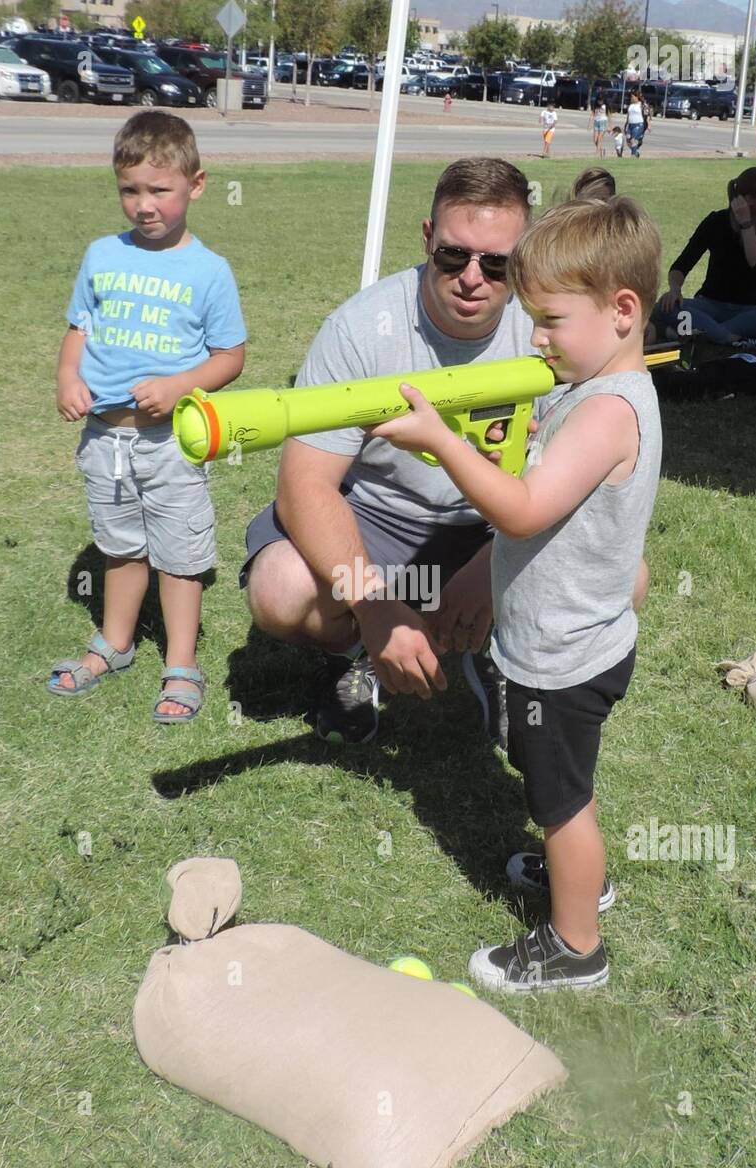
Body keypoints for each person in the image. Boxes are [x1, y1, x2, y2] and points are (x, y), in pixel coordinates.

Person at [242, 158, 652, 747]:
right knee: (280, 588)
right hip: (379, 522)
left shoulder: (556, 331)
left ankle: (507, 662)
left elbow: (575, 483)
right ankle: (354, 653)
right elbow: (304, 485)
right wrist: (374, 607)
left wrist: (492, 565)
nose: (472, 278)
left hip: (501, 523)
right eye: (454, 255)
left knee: (626, 577)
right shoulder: (360, 329)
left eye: (498, 263)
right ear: (428, 238)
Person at [369, 196, 663, 992]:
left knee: (560, 801)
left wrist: (439, 442)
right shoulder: (606, 389)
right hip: (577, 640)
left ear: (622, 311)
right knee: (563, 790)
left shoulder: (604, 410)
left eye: (549, 320)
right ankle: (580, 878)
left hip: (562, 660)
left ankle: (575, 945)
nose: (534, 337)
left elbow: (524, 510)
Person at [48, 111, 247, 720]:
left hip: (170, 443)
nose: (143, 204)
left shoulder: (209, 271)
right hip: (104, 439)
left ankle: (181, 663)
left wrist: (181, 384)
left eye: (159, 189)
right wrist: (67, 377)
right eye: (130, 189)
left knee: (180, 557)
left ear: (196, 184)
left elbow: (230, 357)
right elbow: (79, 327)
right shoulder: (101, 255)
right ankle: (114, 643)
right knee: (122, 548)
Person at [654, 166, 756, 350]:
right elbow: (682, 264)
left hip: (751, 308)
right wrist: (675, 289)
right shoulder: (716, 221)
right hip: (710, 305)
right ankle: (734, 340)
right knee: (664, 307)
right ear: (748, 199)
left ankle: (699, 335)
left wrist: (746, 224)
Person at [624, 91, 646, 157]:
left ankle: (633, 155)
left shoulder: (642, 105)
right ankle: (636, 152)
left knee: (633, 140)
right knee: (628, 141)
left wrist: (649, 125)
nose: (631, 98)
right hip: (630, 125)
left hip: (639, 125)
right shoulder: (631, 105)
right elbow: (628, 116)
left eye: (632, 96)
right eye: (631, 97)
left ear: (637, 97)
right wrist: (626, 125)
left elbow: (646, 116)